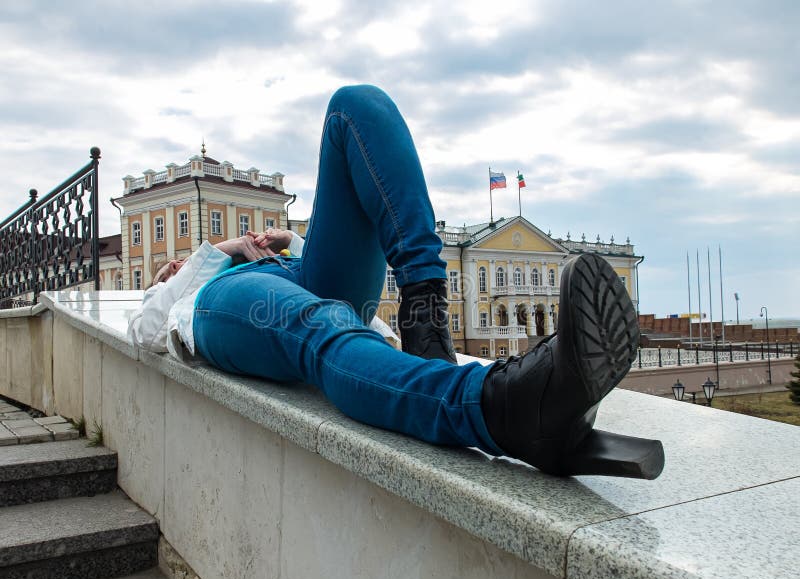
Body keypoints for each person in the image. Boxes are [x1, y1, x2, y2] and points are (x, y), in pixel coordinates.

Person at [128, 85, 664, 479]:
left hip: (304, 276)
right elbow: (143, 329)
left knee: (353, 106)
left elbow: (317, 265)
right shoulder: (188, 290)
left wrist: (288, 241)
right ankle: (500, 406)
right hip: (228, 306)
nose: (170, 267)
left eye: (172, 266)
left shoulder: (280, 252)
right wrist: (221, 254)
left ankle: (426, 313)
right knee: (324, 324)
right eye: (167, 268)